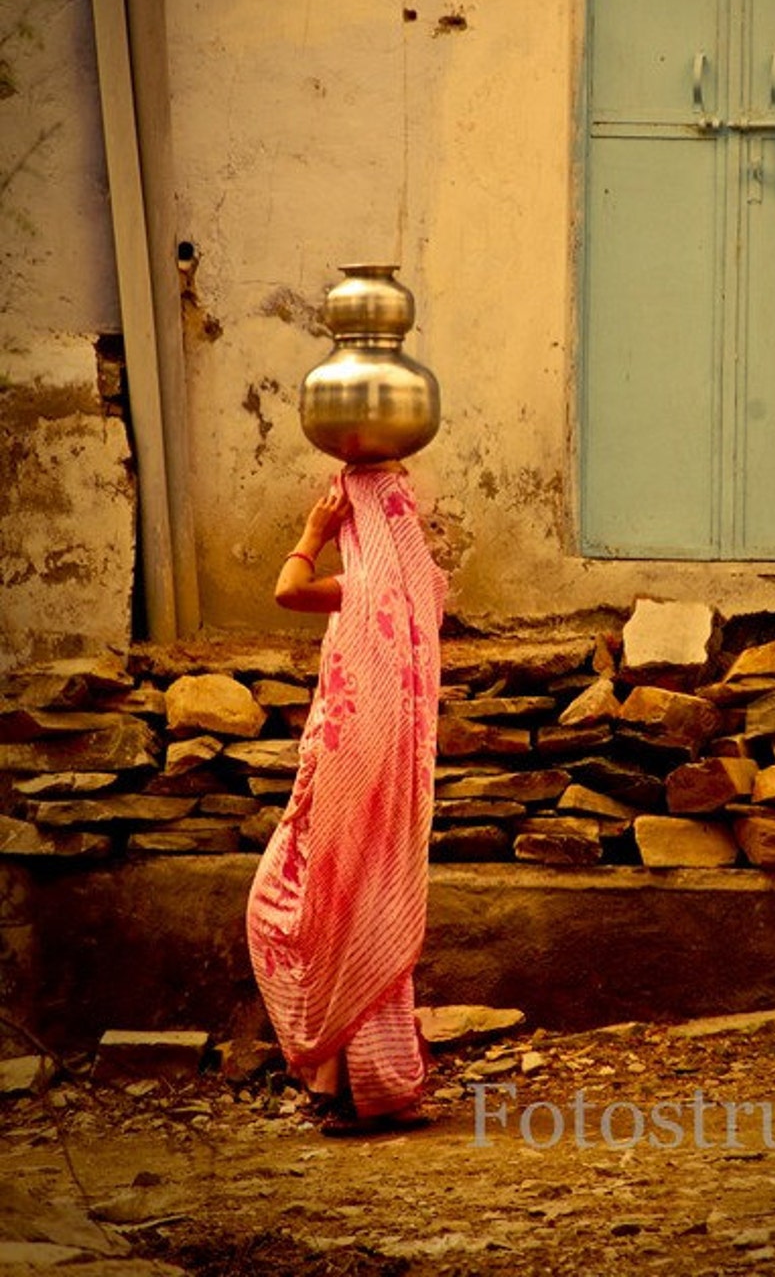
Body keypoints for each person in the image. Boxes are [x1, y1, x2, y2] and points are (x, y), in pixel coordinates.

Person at [246, 463, 448, 1135]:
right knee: (370, 908)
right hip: (399, 780)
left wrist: (313, 530)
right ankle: (370, 1088)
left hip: (350, 770)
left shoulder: (360, 586)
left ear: (355, 524)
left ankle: (349, 1090)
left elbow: (286, 589)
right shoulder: (425, 589)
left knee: (297, 908)